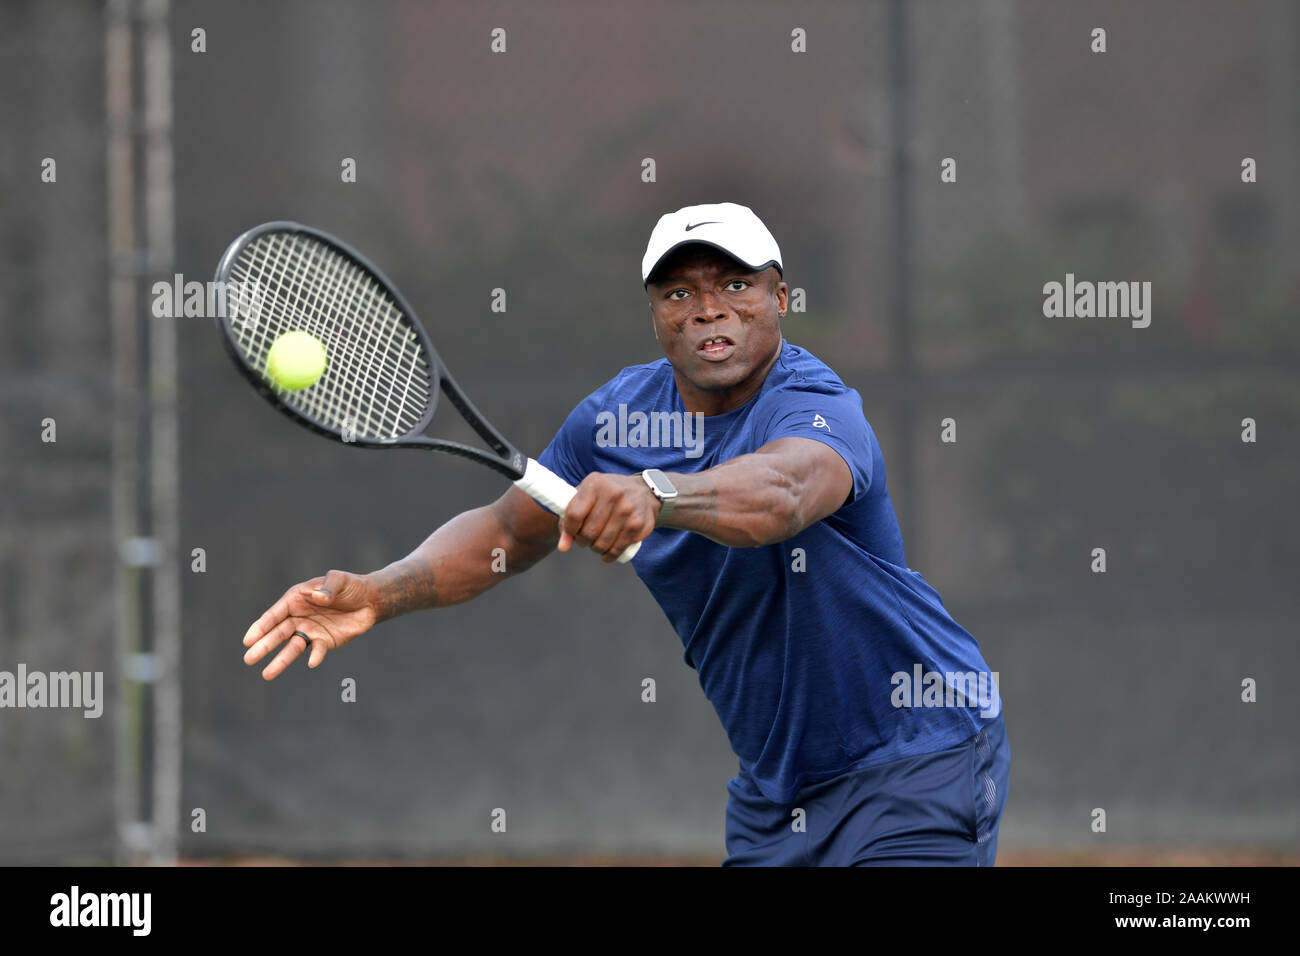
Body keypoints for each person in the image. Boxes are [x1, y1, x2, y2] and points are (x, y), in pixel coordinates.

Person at [242, 201, 1010, 866]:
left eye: (736, 285)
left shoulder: (815, 402)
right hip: (780, 794)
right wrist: (379, 591)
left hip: (920, 751)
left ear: (782, 297)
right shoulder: (612, 421)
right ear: (655, 315)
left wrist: (657, 495)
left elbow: (782, 492)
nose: (709, 308)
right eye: (681, 291)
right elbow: (508, 531)